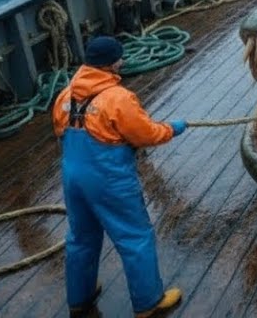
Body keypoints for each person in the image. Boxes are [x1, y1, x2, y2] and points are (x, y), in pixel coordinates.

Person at [52, 36, 186, 317]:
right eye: (120, 59)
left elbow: (60, 132)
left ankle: (80, 296)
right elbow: (146, 134)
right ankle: (149, 302)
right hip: (107, 179)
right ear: (113, 64)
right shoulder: (118, 98)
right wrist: (172, 128)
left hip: (72, 176)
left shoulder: (65, 96)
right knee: (134, 236)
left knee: (80, 237)